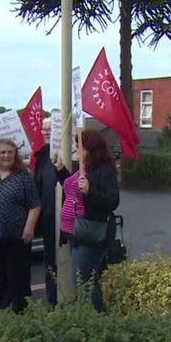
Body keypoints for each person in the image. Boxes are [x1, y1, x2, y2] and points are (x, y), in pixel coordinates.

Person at [53, 130, 120, 312]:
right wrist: (60, 170)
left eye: (79, 147)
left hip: (92, 234)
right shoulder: (85, 167)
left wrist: (91, 191)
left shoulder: (104, 171)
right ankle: (94, 317)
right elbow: (73, 188)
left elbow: (112, 202)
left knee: (83, 281)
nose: (76, 150)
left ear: (91, 149)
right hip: (77, 233)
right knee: (86, 280)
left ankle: (98, 317)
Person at [0, 138, 40, 312]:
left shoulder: (23, 176)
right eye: (2, 152)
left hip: (18, 238)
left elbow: (35, 204)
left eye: (10, 152)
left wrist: (29, 228)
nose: (6, 155)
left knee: (17, 281)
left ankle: (20, 316)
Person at [32, 117, 58, 306]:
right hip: (48, 221)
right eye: (44, 128)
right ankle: (53, 304)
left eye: (51, 128)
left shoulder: (68, 154)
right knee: (50, 266)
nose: (47, 131)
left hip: (66, 222)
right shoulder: (40, 157)